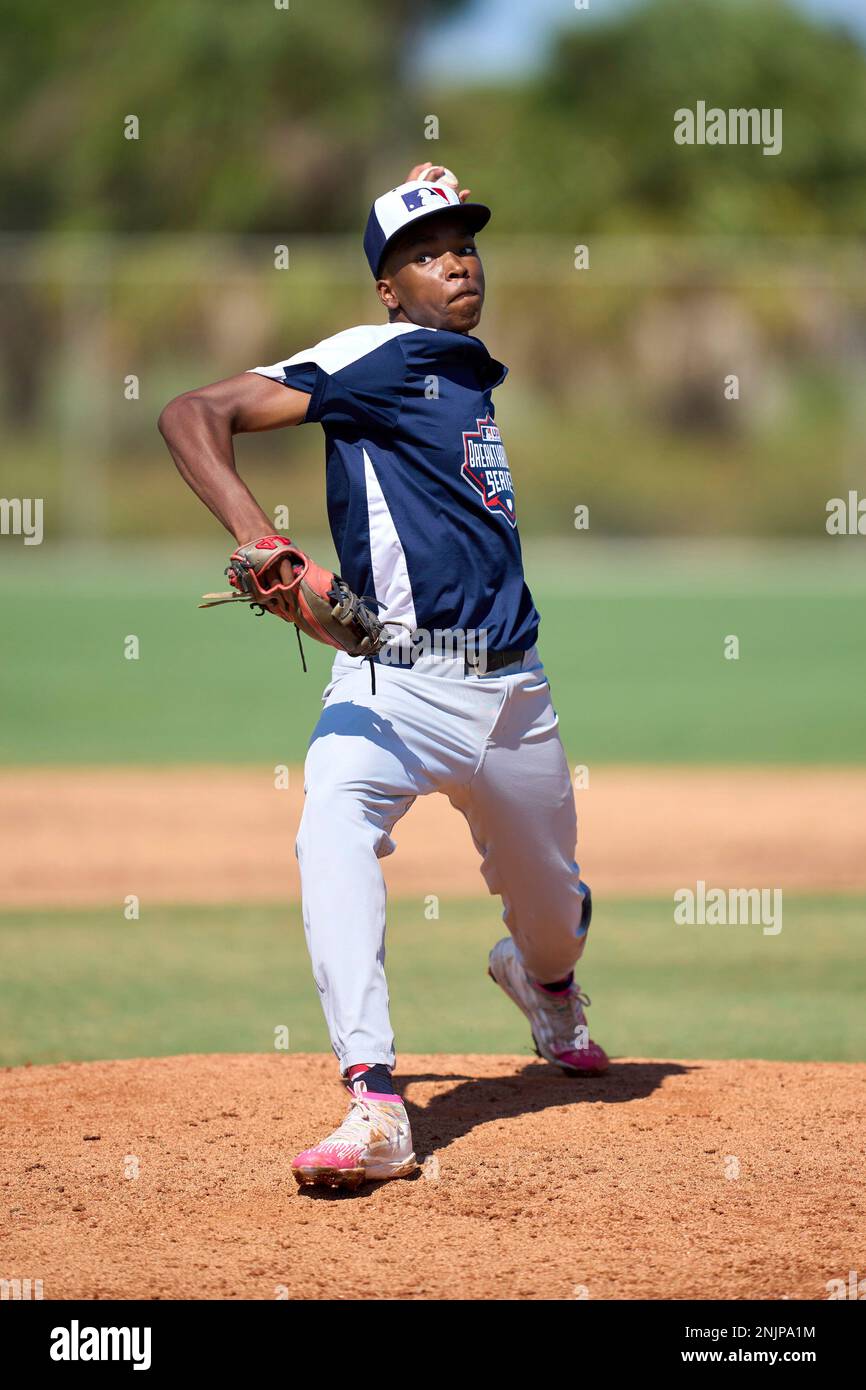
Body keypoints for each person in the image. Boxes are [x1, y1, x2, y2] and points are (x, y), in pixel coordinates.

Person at [158, 162, 609, 1192]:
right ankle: (374, 1102)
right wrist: (255, 532)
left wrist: (422, 193)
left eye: (463, 243)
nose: (455, 261)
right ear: (385, 287)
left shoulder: (462, 371)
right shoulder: (371, 354)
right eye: (423, 251)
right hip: (386, 682)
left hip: (510, 694)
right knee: (329, 831)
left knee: (550, 916)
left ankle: (542, 984)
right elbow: (193, 410)